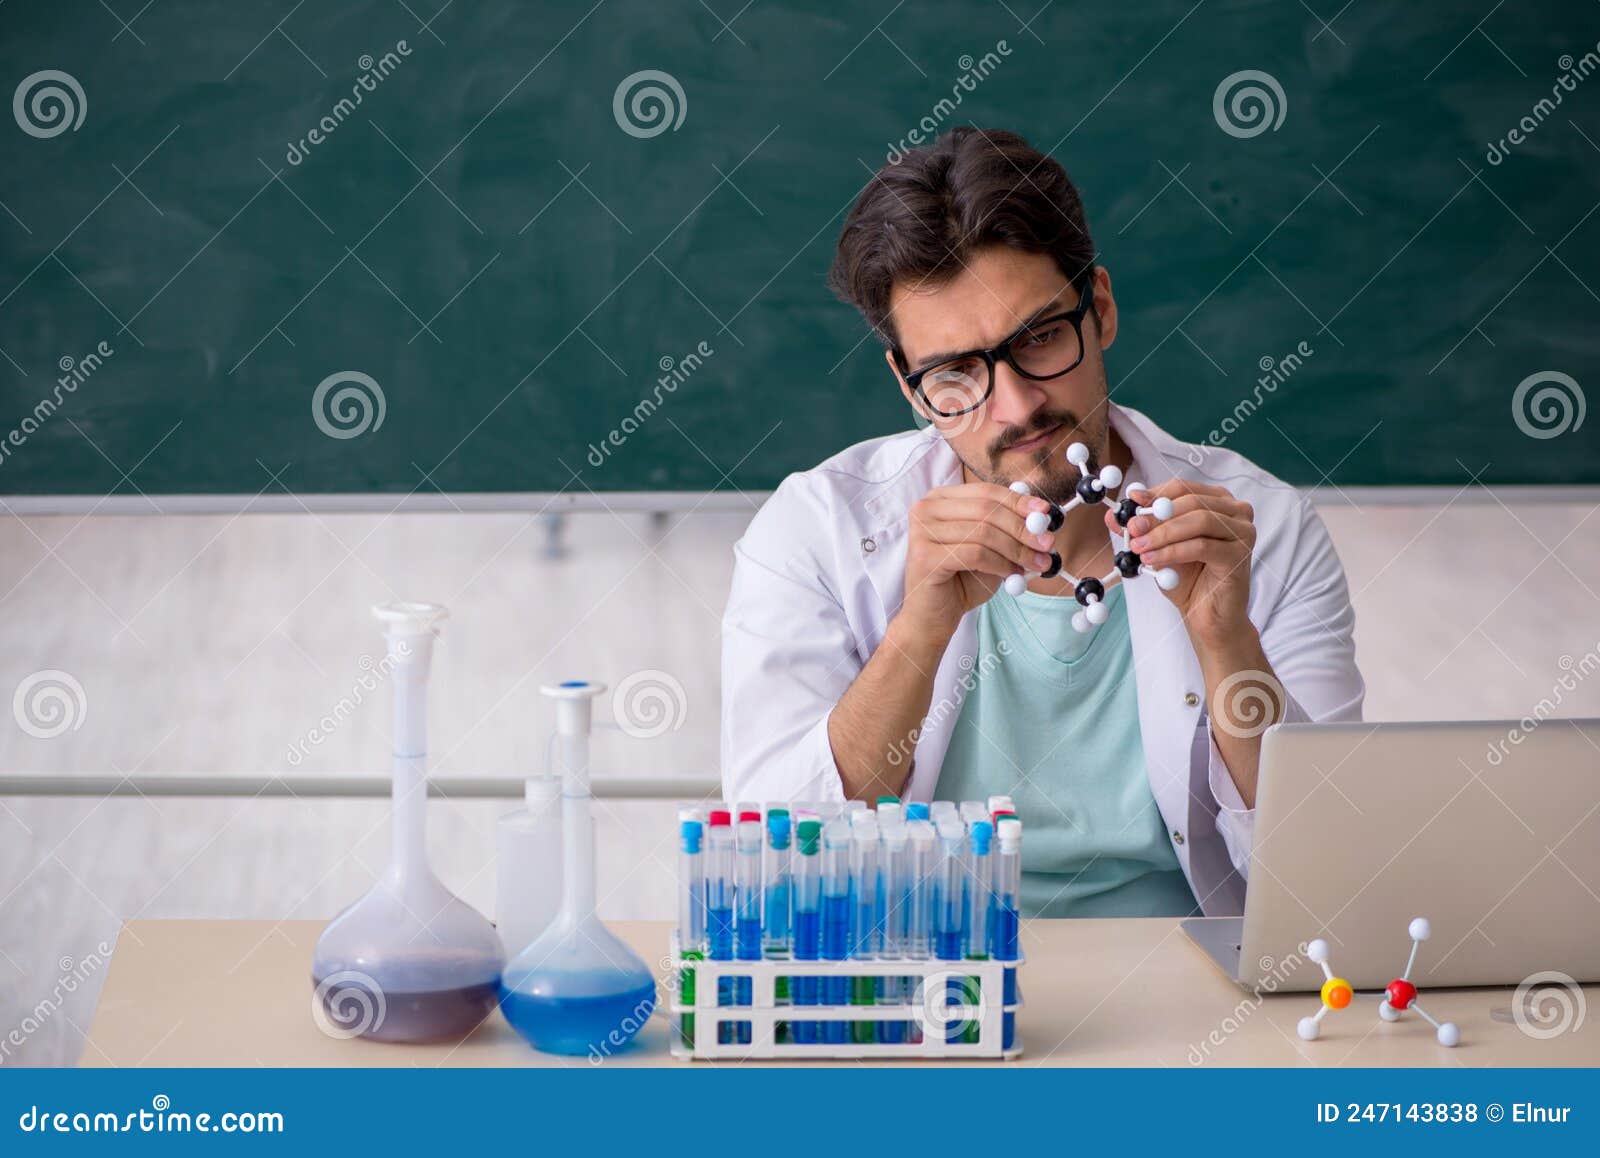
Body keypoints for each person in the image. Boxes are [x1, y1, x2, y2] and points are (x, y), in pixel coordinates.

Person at [720, 128, 1362, 917]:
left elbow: (1329, 874)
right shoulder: (815, 530)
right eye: (956, 373)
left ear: (1100, 309)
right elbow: (771, 864)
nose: (1018, 407)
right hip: (922, 990)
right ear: (911, 386)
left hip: (1184, 1005)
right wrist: (917, 633)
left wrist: (1229, 647)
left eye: (1039, 339)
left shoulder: (1259, 528)